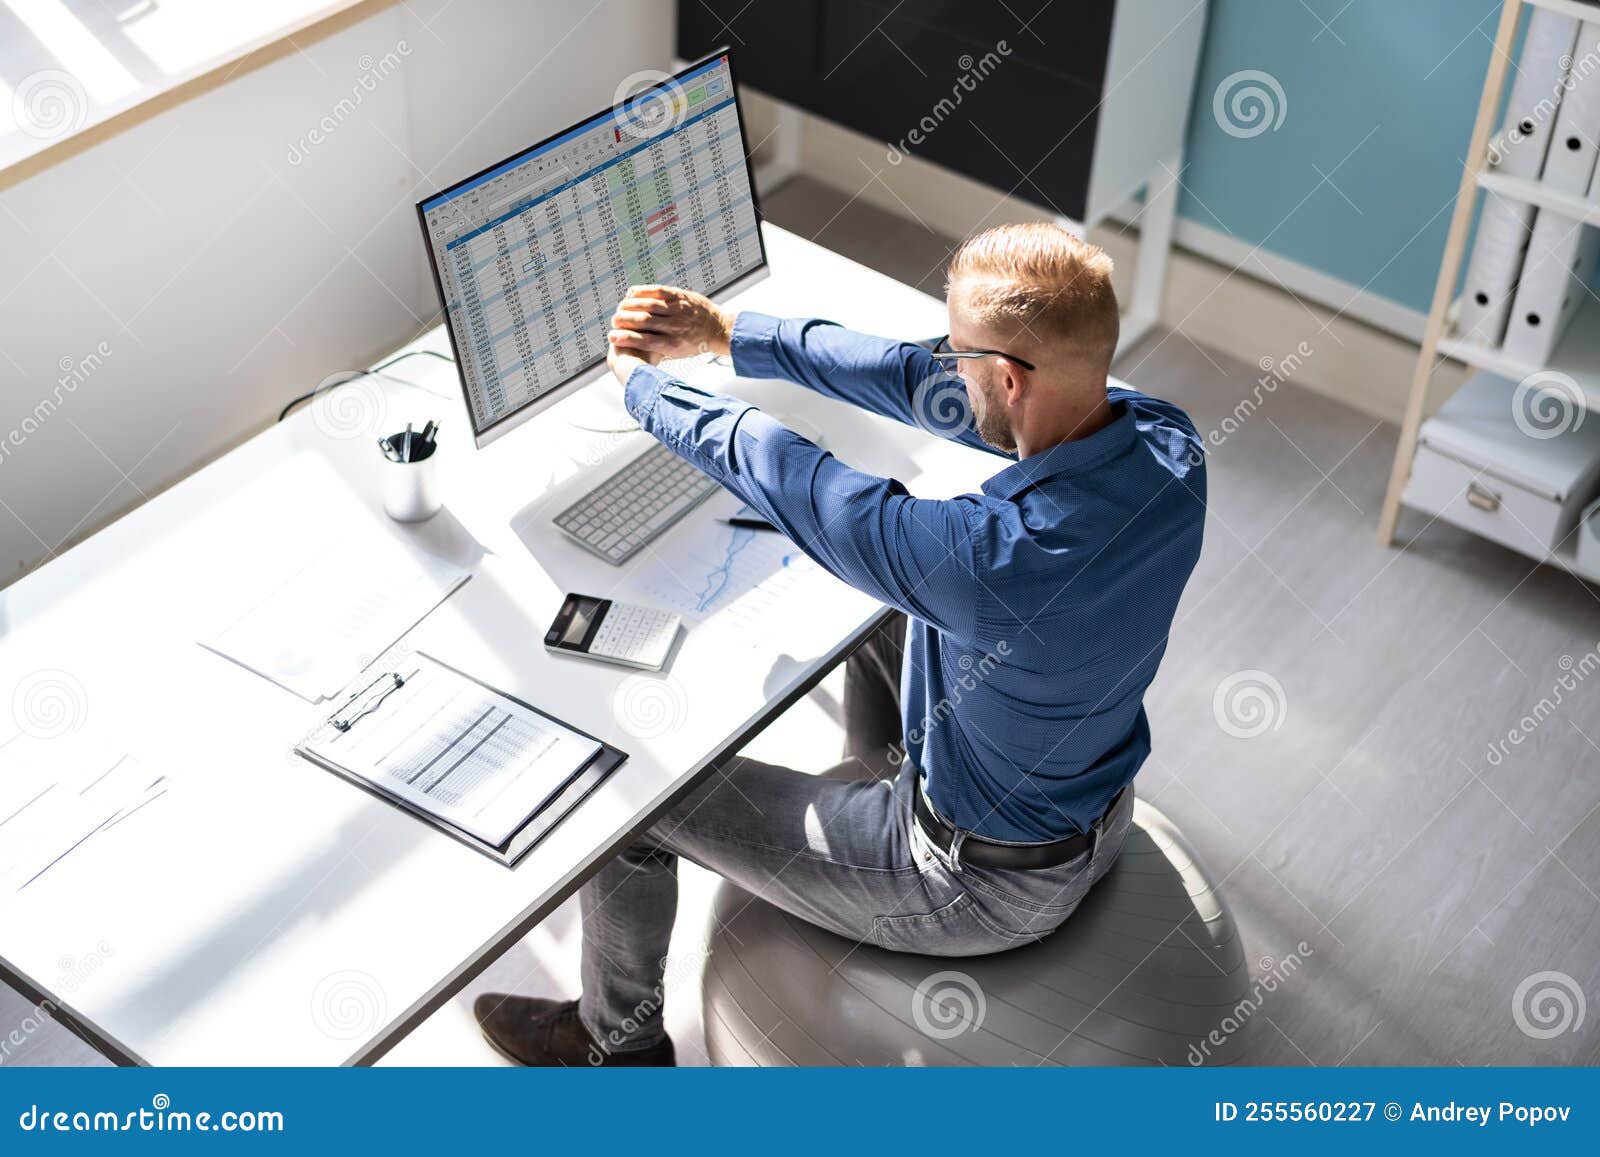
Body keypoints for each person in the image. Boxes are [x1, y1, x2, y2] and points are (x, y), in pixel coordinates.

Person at [473, 222, 1207, 1066]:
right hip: (1092, 807)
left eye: (958, 358)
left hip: (972, 884)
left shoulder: (991, 562)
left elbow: (800, 480)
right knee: (895, 610)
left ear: (1007, 378)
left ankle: (614, 1045)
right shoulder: (1167, 441)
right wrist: (729, 336)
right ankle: (879, 777)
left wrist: (644, 394)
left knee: (639, 809)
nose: (944, 371)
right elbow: (909, 377)